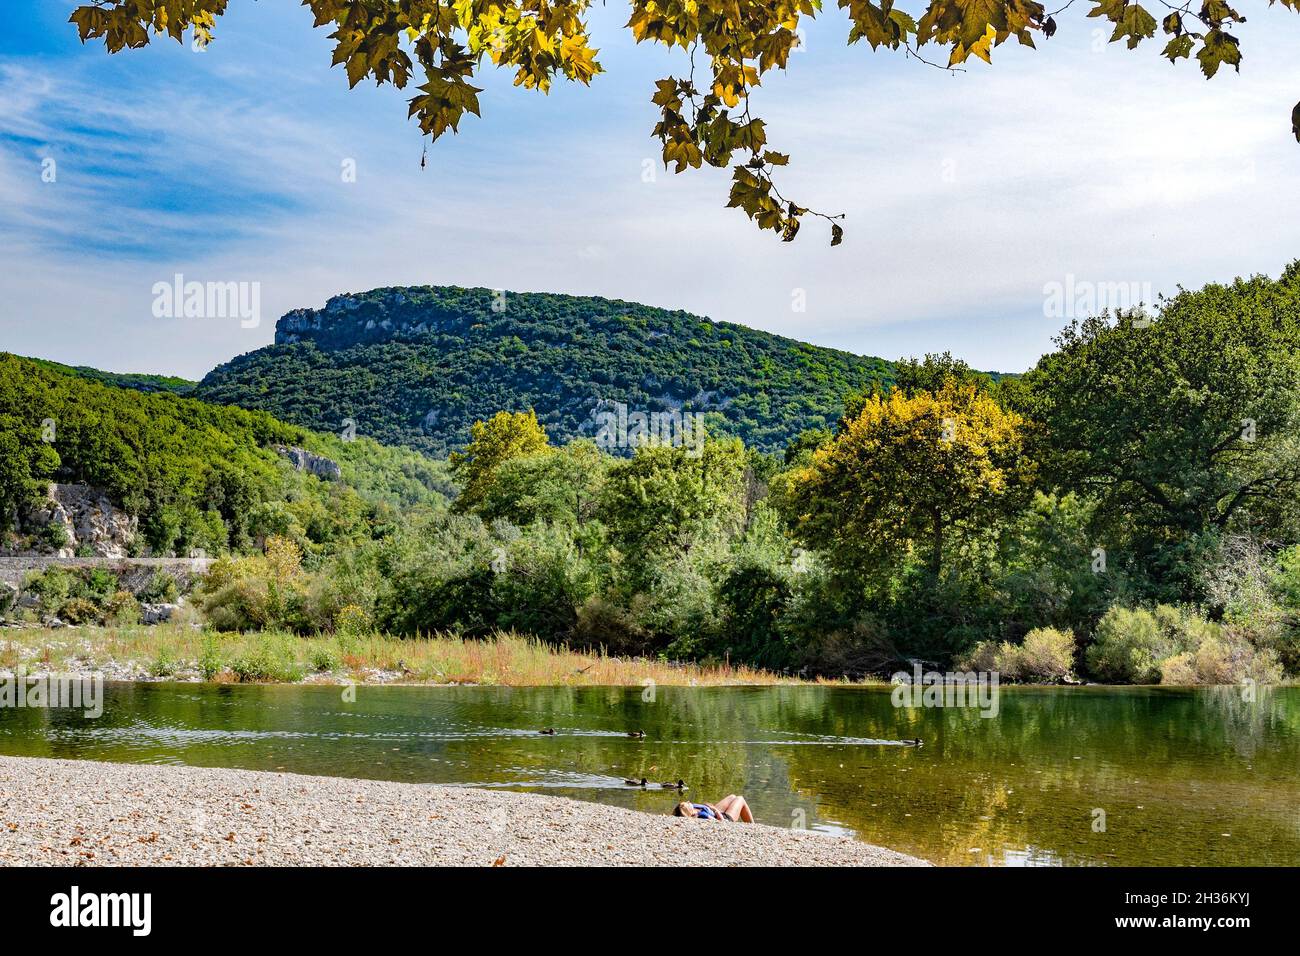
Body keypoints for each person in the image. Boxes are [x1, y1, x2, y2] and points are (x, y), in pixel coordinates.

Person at [672, 795, 753, 823]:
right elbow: (720, 822)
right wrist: (715, 810)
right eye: (688, 804)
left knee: (732, 797)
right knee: (740, 798)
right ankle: (752, 826)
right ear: (690, 811)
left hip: (713, 811)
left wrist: (710, 807)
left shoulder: (692, 807)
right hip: (723, 817)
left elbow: (679, 812)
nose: (689, 802)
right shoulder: (700, 815)